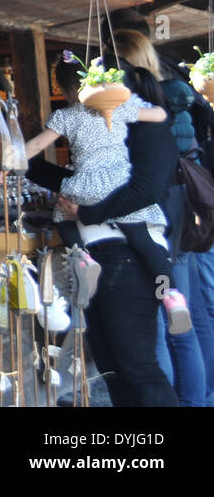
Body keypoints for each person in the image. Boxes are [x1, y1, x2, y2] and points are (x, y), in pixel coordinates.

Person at [25, 63, 180, 406]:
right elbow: (73, 183)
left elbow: (144, 191)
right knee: (112, 364)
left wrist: (85, 212)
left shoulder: (144, 126)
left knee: (136, 364)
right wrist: (19, 159)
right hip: (95, 252)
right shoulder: (91, 122)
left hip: (125, 253)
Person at [113, 30, 206, 405]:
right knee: (183, 319)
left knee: (163, 328)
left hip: (158, 227)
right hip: (177, 217)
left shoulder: (145, 113)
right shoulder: (173, 97)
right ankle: (197, 401)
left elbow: (144, 185)